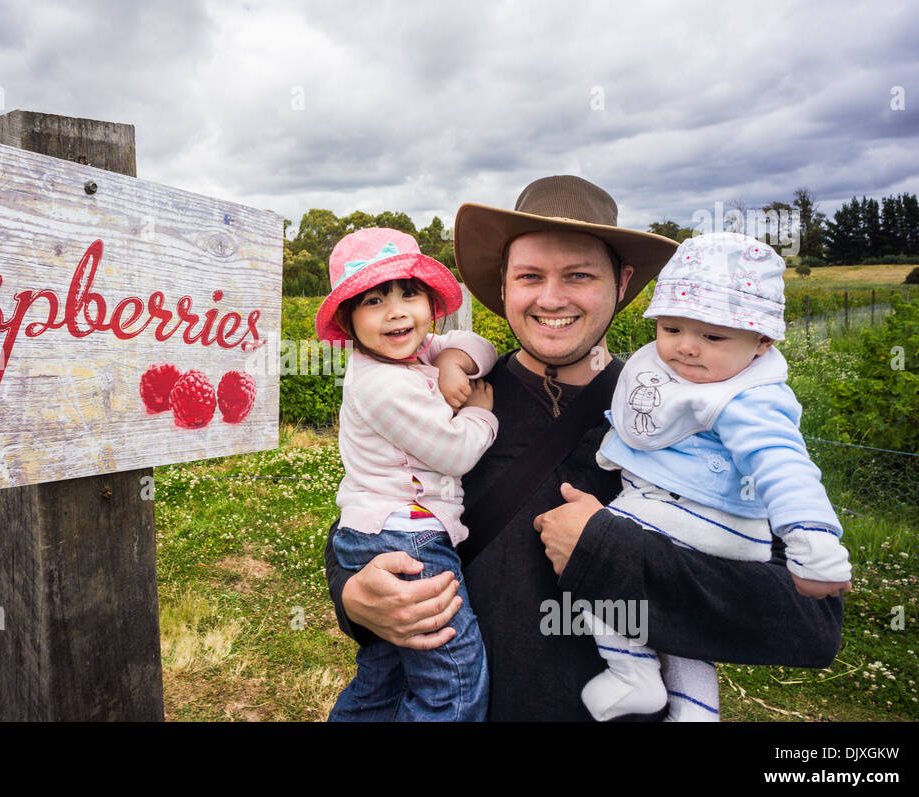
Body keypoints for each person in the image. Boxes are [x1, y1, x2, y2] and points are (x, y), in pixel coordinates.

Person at [323, 176, 845, 721]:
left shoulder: (694, 414)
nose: (552, 298)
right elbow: (366, 524)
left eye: (579, 275)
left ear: (621, 286)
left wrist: (607, 554)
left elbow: (809, 623)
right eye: (530, 276)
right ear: (503, 287)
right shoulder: (451, 398)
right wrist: (354, 599)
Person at [582, 231, 852, 722]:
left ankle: (632, 672)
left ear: (762, 342)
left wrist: (812, 541)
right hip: (693, 518)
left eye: (712, 336)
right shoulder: (678, 372)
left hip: (712, 517)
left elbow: (784, 465)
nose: (685, 348)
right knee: (679, 625)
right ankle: (697, 710)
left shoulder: (750, 399)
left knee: (594, 552)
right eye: (671, 328)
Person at [314, 227, 498, 721]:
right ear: (350, 321)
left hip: (377, 532)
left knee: (385, 679)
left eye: (409, 293)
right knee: (453, 680)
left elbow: (476, 342)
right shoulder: (382, 385)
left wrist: (454, 361)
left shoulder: (415, 353)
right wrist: (482, 413)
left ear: (430, 304)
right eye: (374, 300)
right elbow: (454, 453)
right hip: (407, 536)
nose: (397, 311)